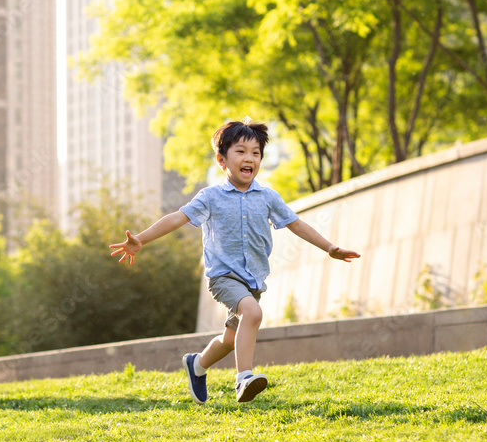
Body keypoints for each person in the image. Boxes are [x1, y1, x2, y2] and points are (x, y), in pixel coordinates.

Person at [109, 119, 359, 404]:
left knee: (231, 340)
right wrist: (141, 238)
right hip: (223, 277)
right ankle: (243, 379)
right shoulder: (210, 197)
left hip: (253, 279)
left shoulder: (268, 197)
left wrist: (329, 247)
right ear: (222, 159)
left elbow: (296, 224)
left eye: (255, 153)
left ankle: (198, 365)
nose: (249, 158)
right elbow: (177, 218)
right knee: (252, 314)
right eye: (240, 151)